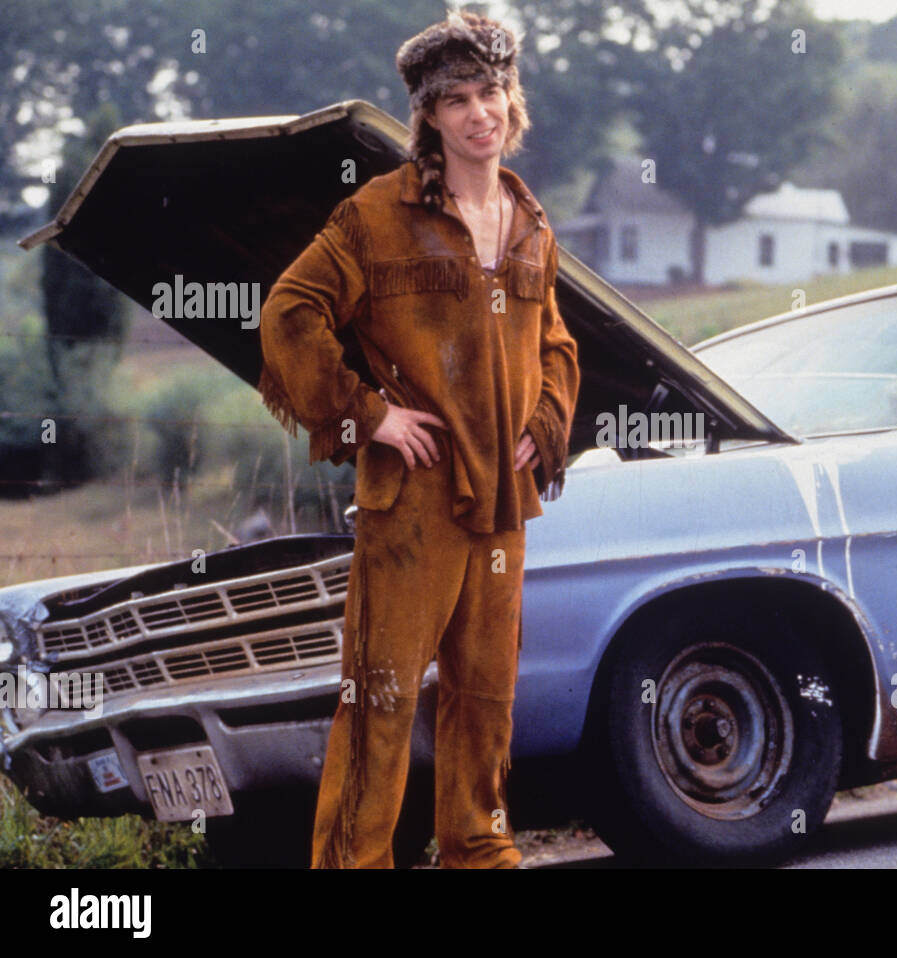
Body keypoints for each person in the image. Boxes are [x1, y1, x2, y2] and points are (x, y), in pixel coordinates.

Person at [256, 9, 580, 868]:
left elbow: (555, 341)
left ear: (514, 103)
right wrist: (370, 414)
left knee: (485, 696)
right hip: (413, 500)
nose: (482, 112)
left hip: (503, 502)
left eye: (495, 93)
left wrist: (543, 427)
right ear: (430, 117)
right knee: (383, 697)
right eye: (461, 99)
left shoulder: (527, 218)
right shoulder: (376, 215)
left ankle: (479, 851)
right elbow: (290, 313)